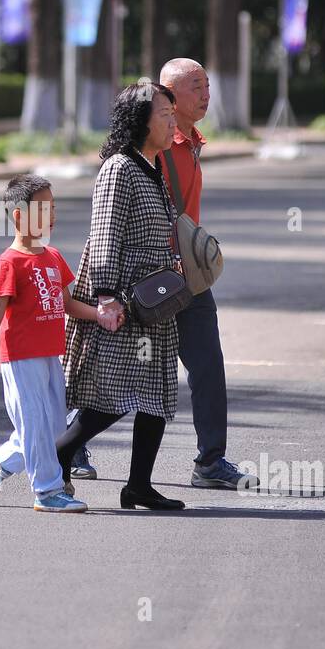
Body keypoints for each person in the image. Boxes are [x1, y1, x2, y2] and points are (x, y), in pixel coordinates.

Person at [56, 81, 186, 511]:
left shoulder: (153, 166)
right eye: (164, 115)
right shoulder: (119, 168)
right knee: (113, 390)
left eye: (173, 114)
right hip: (126, 299)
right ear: (140, 121)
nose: (172, 123)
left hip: (155, 297)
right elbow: (105, 234)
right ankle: (61, 453)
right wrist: (107, 297)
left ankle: (139, 485)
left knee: (154, 390)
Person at [0, 175, 109, 513]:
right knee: (33, 422)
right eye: (43, 208)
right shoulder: (10, 262)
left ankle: (2, 461)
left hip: (51, 355)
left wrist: (100, 314)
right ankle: (47, 491)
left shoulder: (54, 257)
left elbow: (69, 304)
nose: (52, 214)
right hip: (20, 358)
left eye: (53, 207)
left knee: (53, 426)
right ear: (19, 216)